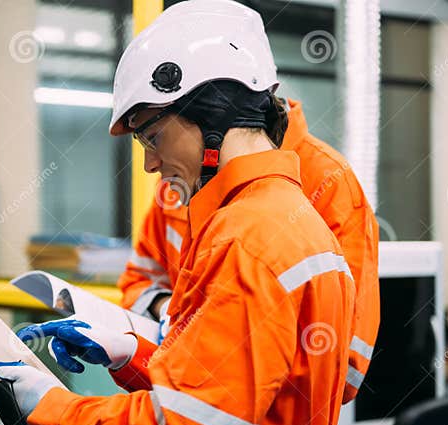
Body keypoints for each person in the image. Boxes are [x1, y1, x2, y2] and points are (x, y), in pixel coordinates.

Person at [0, 1, 355, 425]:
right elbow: (233, 397)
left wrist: (53, 411)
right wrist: (131, 355)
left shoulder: (246, 237)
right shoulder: (282, 217)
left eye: (153, 136)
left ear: (211, 113)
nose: (150, 163)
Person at [119, 99, 379, 406]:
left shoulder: (329, 181)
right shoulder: (176, 184)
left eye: (155, 137)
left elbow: (343, 372)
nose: (150, 164)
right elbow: (137, 284)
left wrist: (208, 354)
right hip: (185, 410)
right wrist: (166, 314)